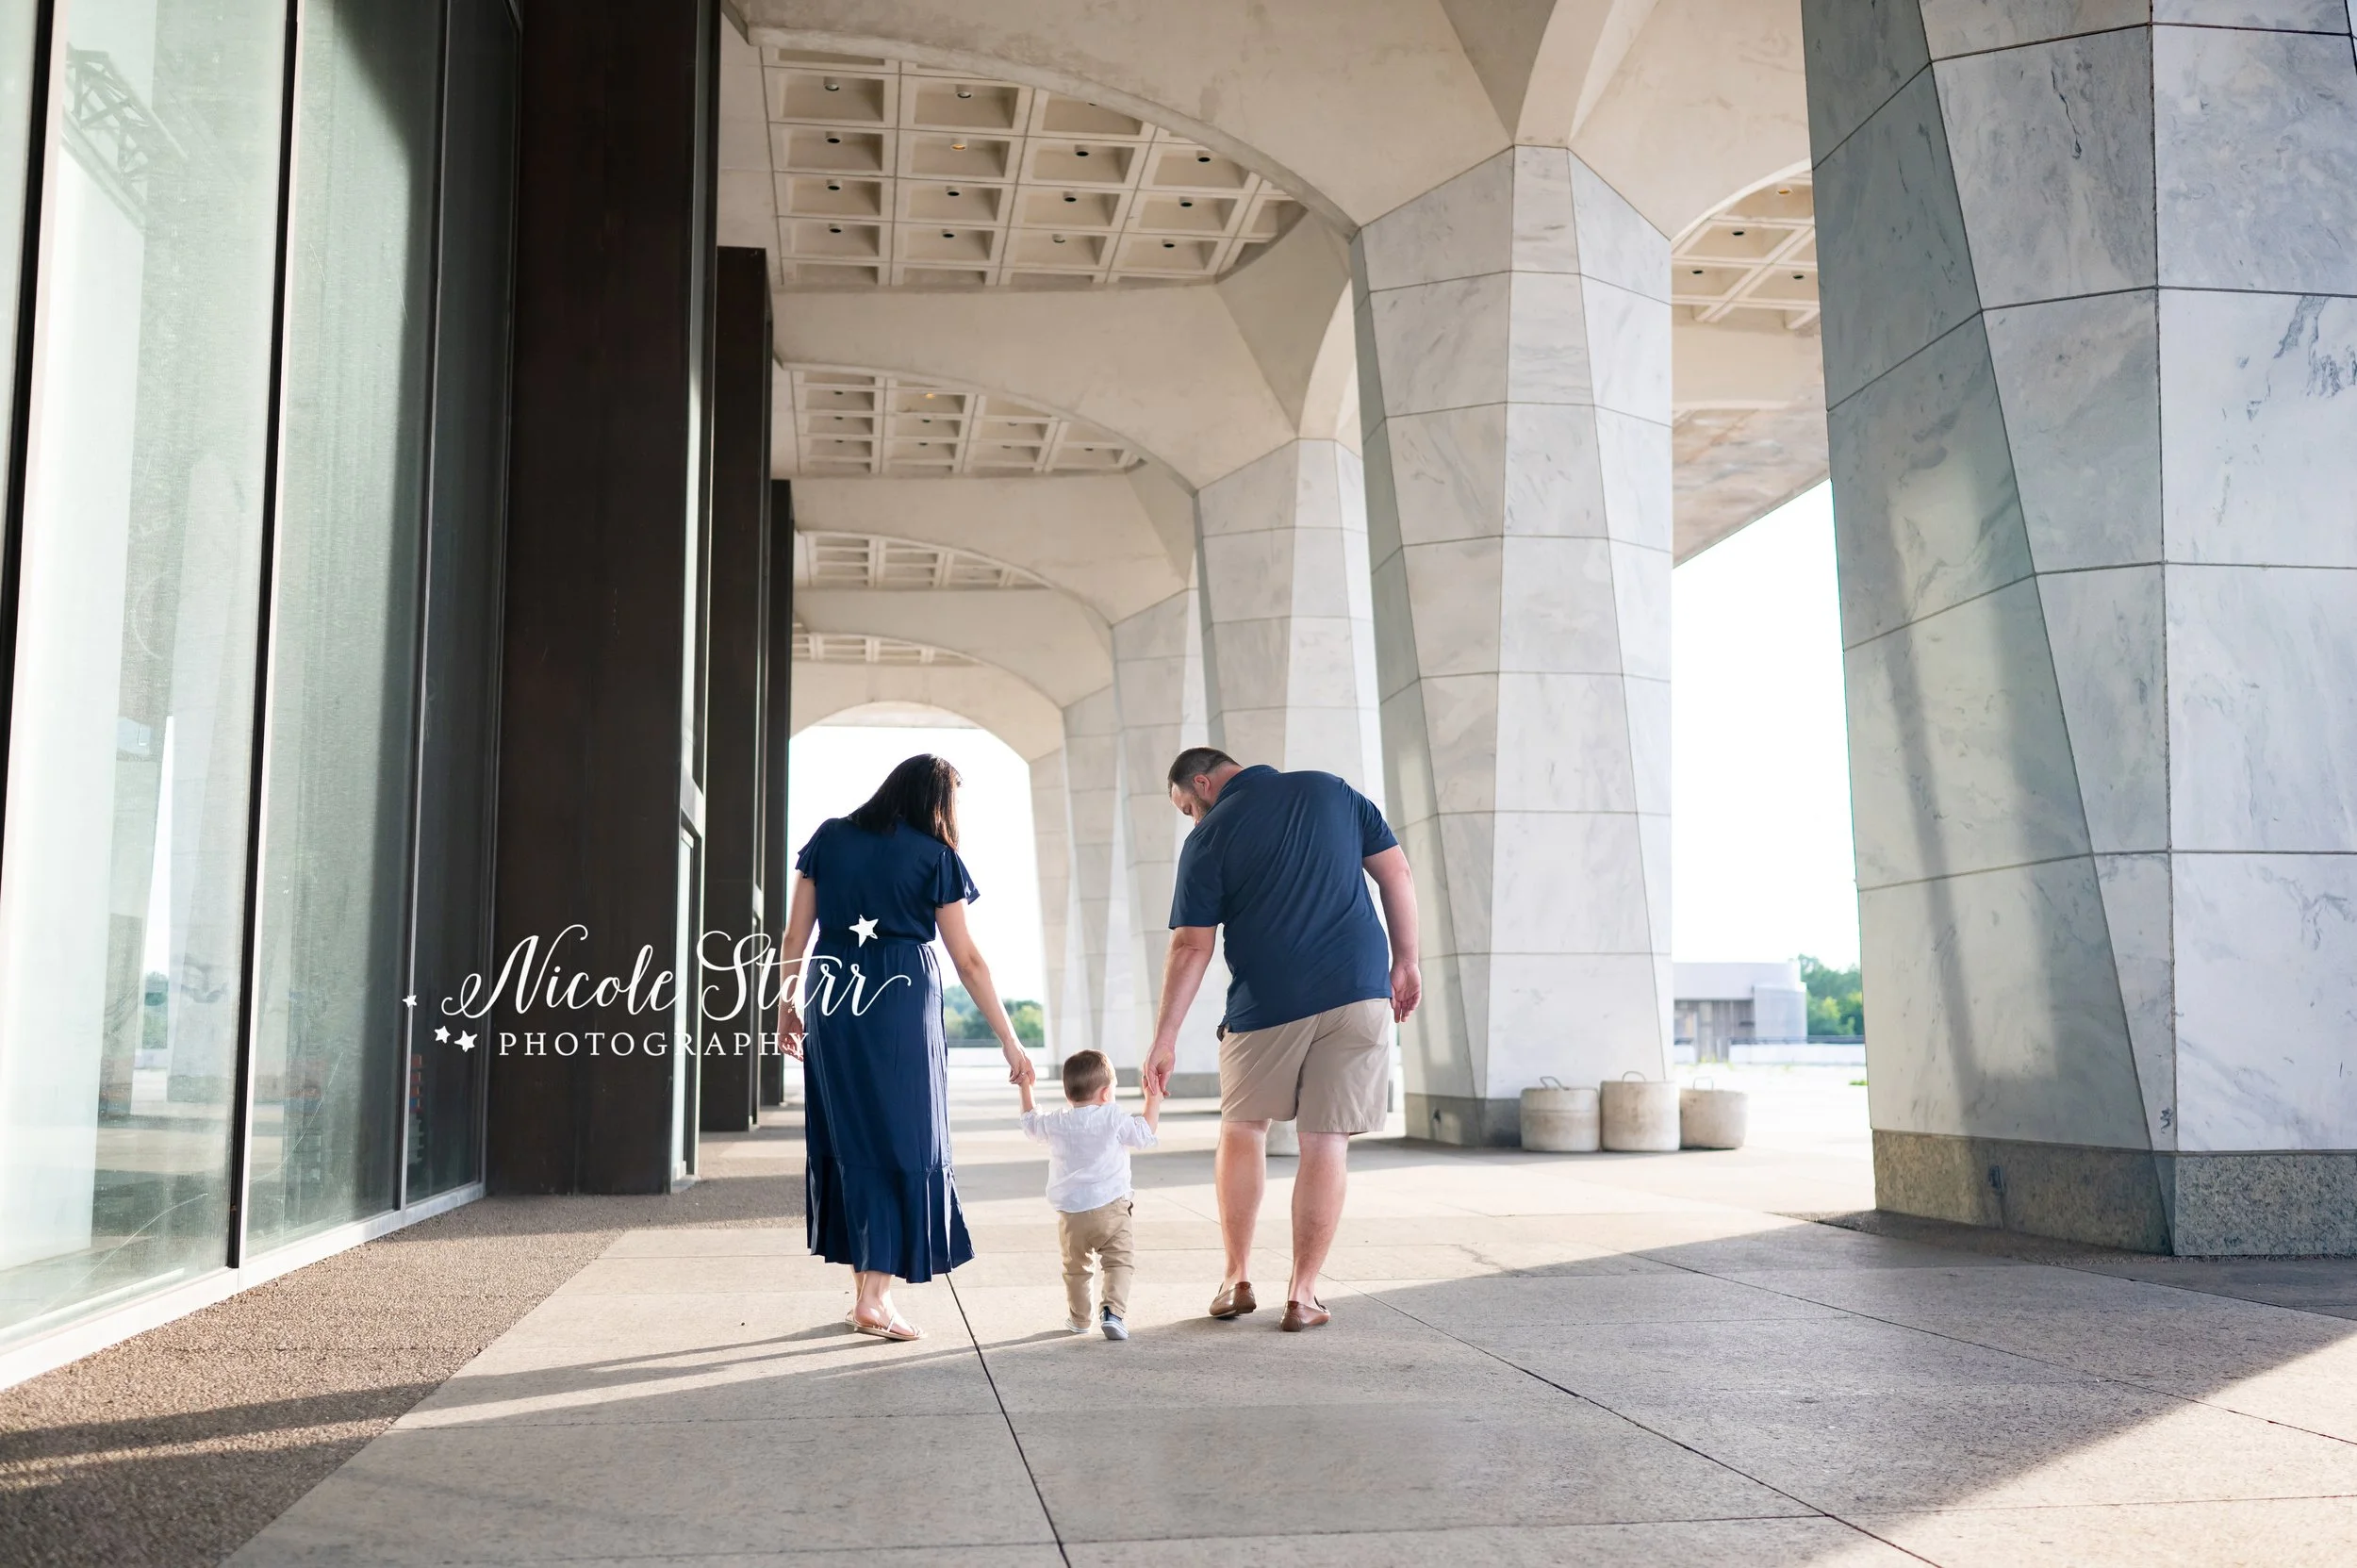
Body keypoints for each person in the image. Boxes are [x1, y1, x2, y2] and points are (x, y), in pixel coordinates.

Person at [1141, 747, 1420, 1333]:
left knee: (1243, 1129)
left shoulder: (1208, 838)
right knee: (1327, 1142)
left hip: (1268, 1001)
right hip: (1360, 990)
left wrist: (1164, 1038)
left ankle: (1236, 1277)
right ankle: (1303, 1294)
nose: (1192, 819)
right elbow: (1396, 872)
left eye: (1188, 807)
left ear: (1202, 783)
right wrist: (1407, 962)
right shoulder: (1333, 790)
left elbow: (1193, 945)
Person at [777, 754, 1035, 1342]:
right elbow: (967, 960)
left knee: (850, 1136)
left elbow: (795, 935)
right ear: (935, 801)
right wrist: (1009, 1040)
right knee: (905, 1138)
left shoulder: (829, 838)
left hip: (834, 992)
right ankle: (874, 1297)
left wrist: (786, 1005)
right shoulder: (936, 857)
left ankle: (865, 1294)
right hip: (899, 1000)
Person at [1018, 1048, 1162, 1341]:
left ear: (1069, 1093)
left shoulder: (1058, 1121)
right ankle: (1113, 1312)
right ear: (1107, 1093)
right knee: (1119, 1261)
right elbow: (1144, 1134)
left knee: (1076, 1269)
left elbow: (1031, 1124)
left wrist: (1026, 1087)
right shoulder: (1113, 1117)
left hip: (1072, 1214)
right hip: (1113, 1210)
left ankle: (1079, 1319)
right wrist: (1153, 1099)